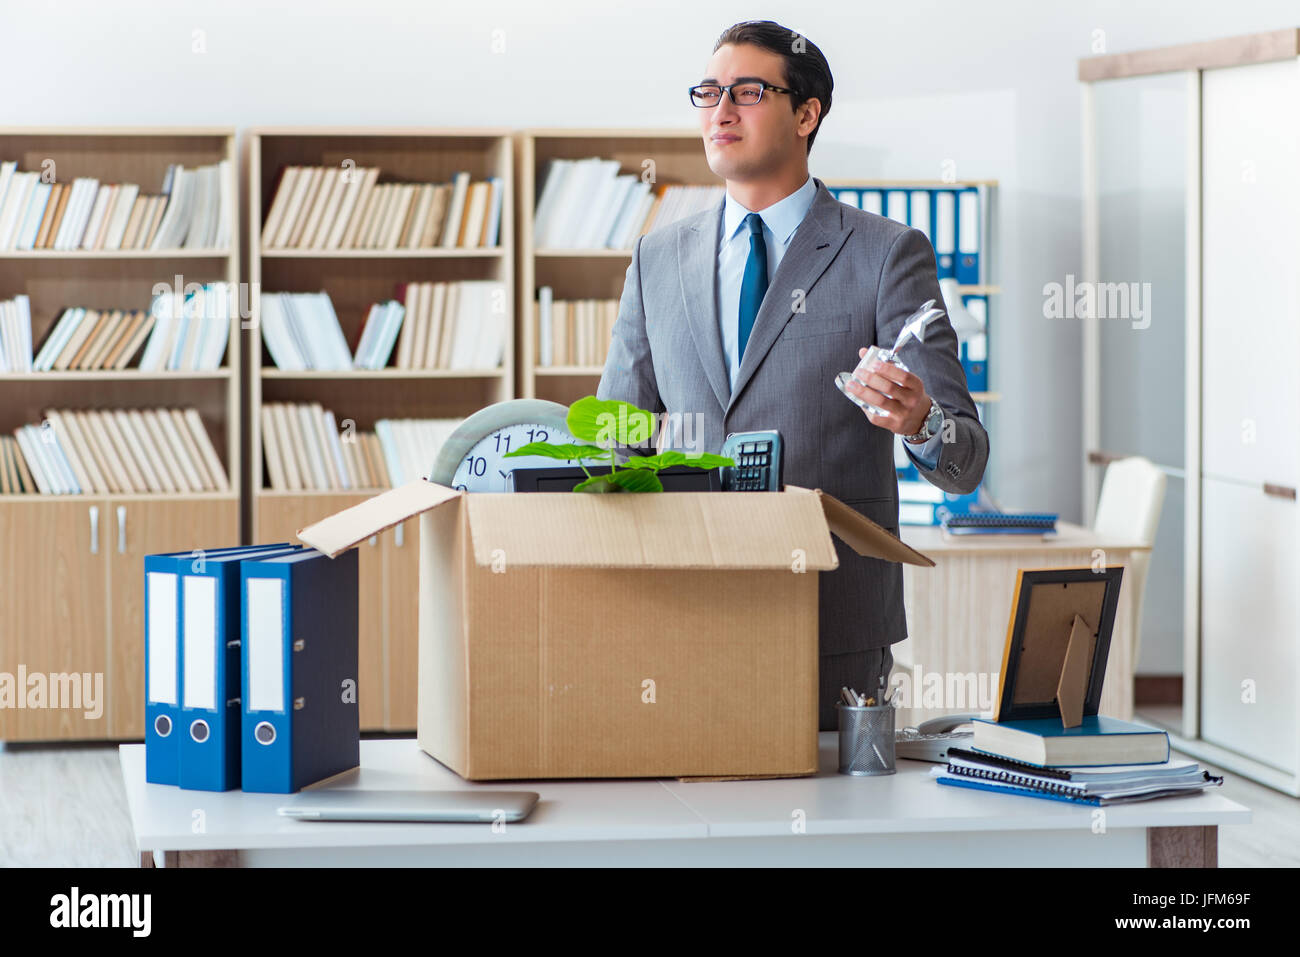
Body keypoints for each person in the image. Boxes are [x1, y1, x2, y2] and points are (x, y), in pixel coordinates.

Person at [596, 19, 988, 730]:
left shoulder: (886, 253)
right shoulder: (658, 258)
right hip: (683, 609)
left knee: (827, 834)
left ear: (806, 114)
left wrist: (920, 420)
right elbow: (617, 438)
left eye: (747, 91)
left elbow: (965, 461)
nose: (720, 110)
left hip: (831, 621)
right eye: (708, 92)